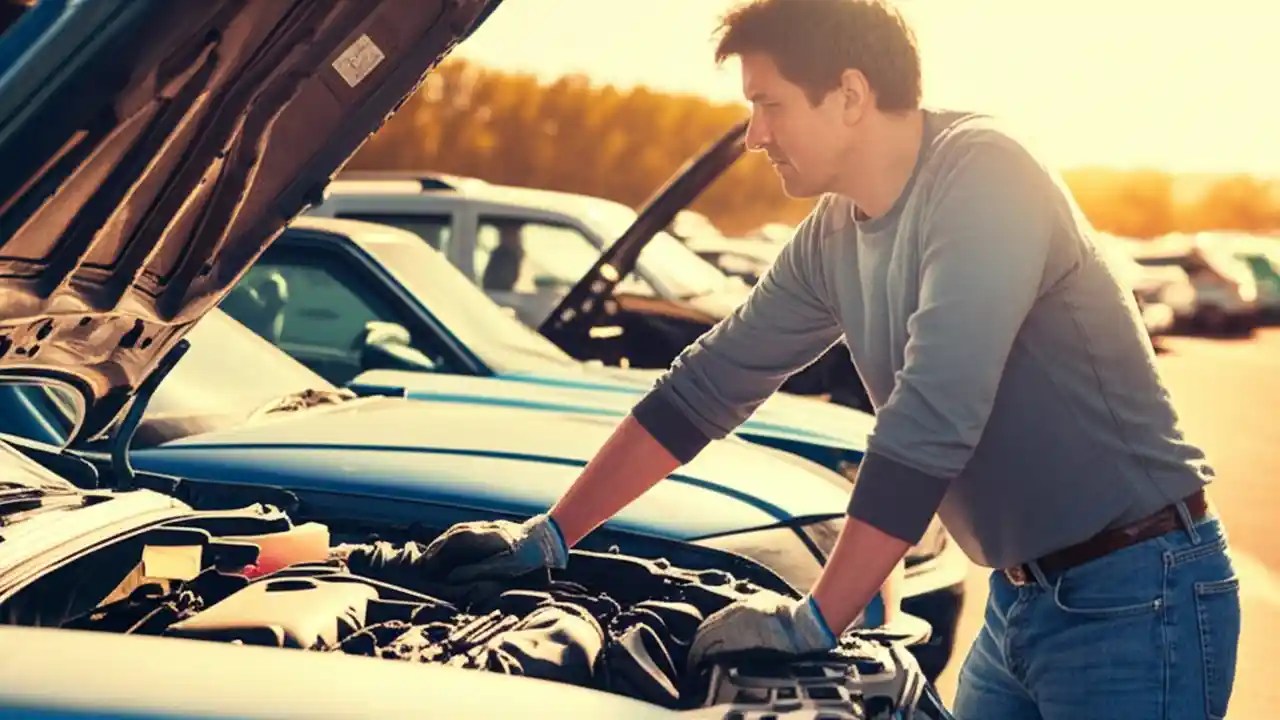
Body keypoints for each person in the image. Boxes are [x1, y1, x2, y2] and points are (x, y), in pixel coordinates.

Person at [424, 1, 1240, 717]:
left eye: (768, 104)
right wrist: (551, 534)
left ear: (849, 95)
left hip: (1138, 594)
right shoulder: (834, 234)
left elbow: (933, 414)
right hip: (1020, 602)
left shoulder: (985, 176)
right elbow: (708, 386)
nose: (754, 135)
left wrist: (820, 617)